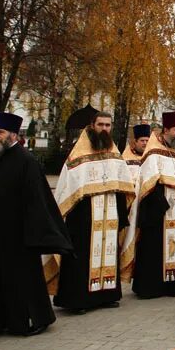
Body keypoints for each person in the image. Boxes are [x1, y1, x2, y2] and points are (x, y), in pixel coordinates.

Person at [0, 112, 73, 337]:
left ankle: (33, 320)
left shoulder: (26, 160)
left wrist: (35, 233)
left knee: (21, 280)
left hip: (16, 236)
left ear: (13, 134)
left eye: (0, 132)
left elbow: (37, 200)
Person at [45, 112, 135, 314]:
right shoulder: (79, 154)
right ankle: (78, 300)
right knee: (82, 258)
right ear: (91, 126)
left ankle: (106, 295)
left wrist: (122, 214)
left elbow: (123, 185)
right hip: (83, 219)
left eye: (108, 125)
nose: (105, 129)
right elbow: (67, 188)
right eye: (101, 124)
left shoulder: (114, 153)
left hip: (109, 214)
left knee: (108, 252)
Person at [122, 111, 175, 299]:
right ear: (166, 130)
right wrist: (162, 205)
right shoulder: (153, 153)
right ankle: (151, 288)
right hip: (158, 214)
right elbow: (148, 183)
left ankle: (173, 286)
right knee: (153, 250)